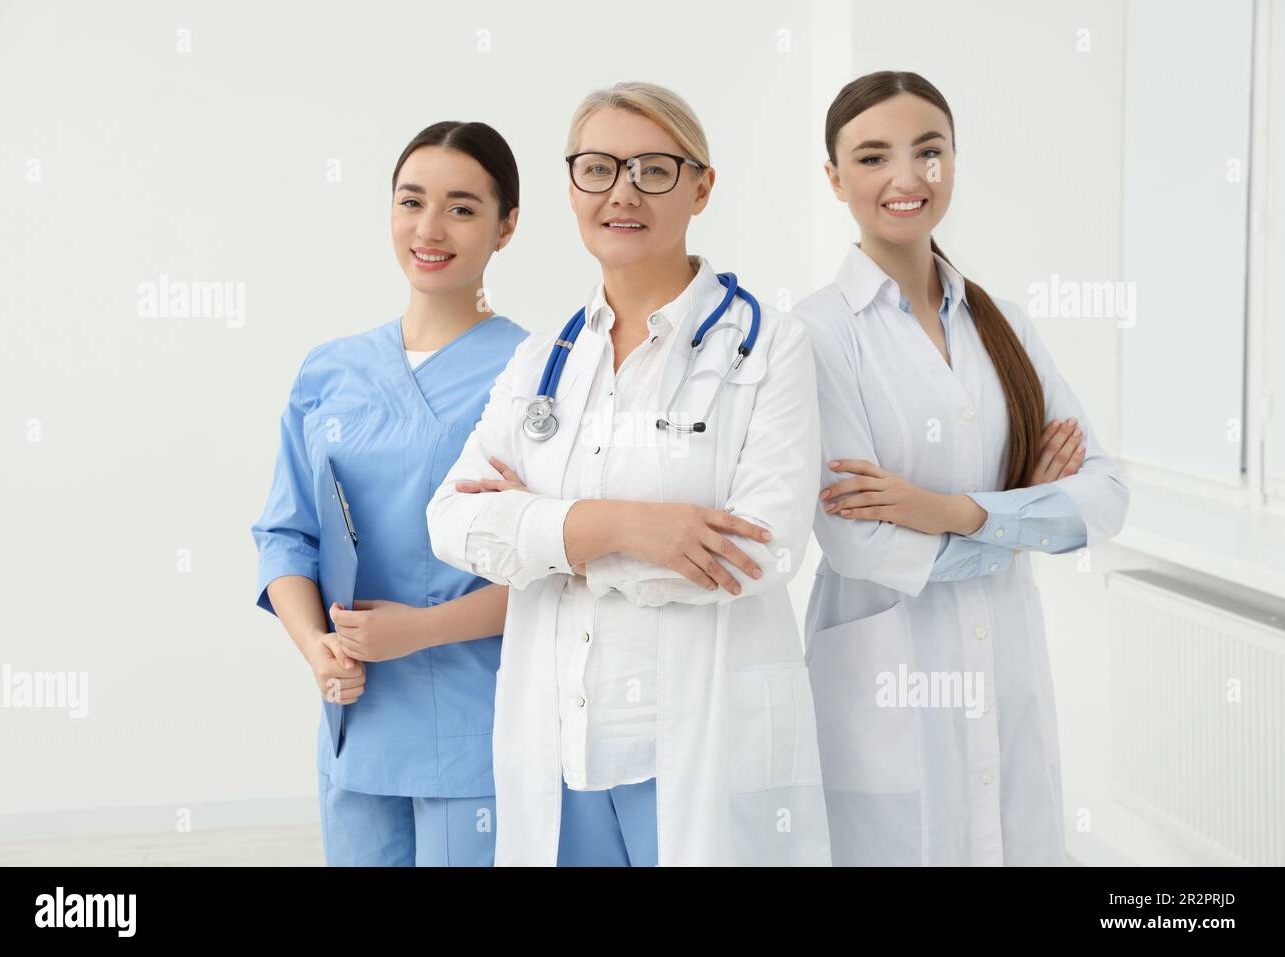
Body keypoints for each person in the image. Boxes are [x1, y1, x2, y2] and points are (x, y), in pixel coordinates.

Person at [428, 82, 830, 866]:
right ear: (571, 185)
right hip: (562, 742)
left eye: (652, 169)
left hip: (694, 741)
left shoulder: (769, 345)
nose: (622, 191)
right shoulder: (541, 357)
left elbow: (761, 550)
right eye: (598, 169)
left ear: (701, 185)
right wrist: (632, 527)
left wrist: (545, 535)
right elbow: (453, 521)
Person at [796, 71, 1129, 866]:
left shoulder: (1003, 323)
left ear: (953, 162)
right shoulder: (816, 331)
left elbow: (1106, 495)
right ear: (836, 179)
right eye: (874, 157)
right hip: (885, 682)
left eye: (929, 151)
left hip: (1004, 661)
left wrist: (947, 511)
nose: (907, 178)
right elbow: (859, 543)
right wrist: (1023, 519)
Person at [251, 121, 528, 866]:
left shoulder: (534, 371)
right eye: (411, 201)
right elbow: (285, 534)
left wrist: (420, 630)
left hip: (477, 723)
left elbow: (553, 565)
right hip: (355, 717)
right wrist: (316, 648)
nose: (429, 228)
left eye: (463, 208)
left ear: (507, 226)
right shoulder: (329, 370)